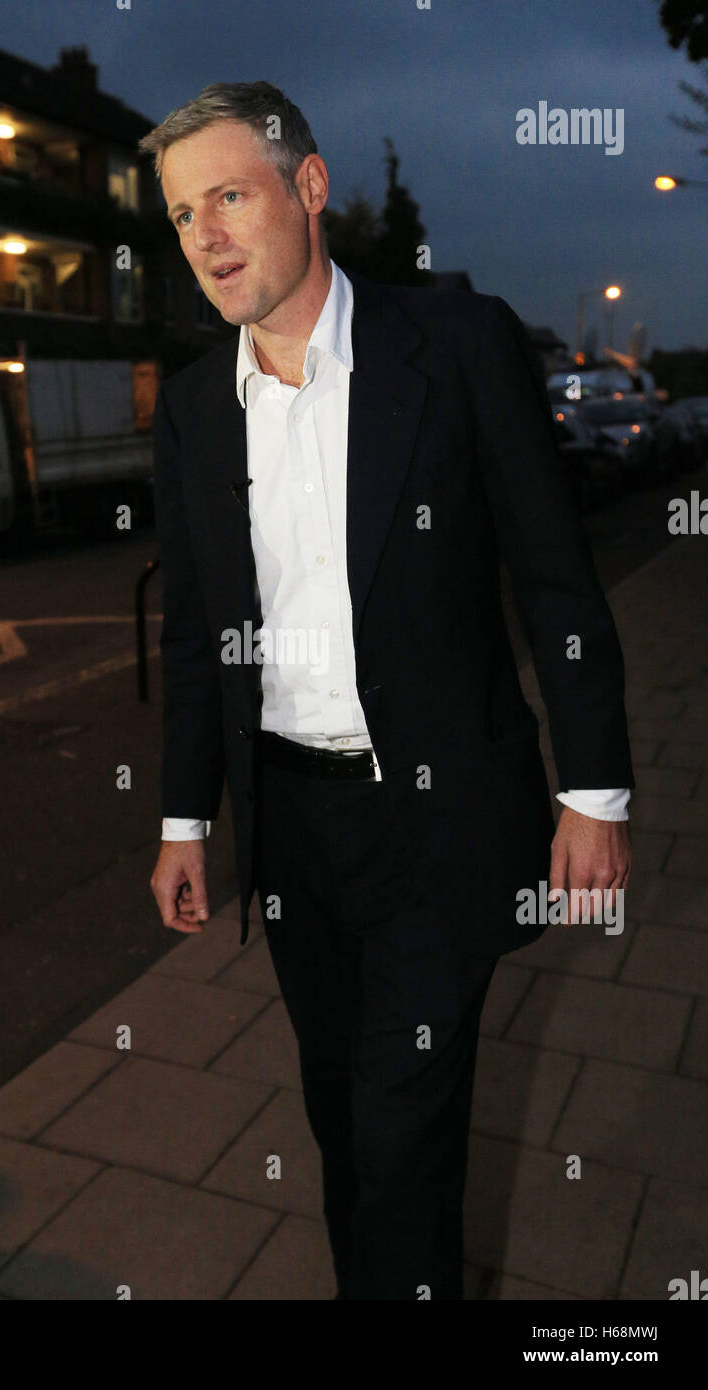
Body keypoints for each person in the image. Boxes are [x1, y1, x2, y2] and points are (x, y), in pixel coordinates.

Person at [143, 82, 634, 1301]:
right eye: (180, 213)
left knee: (400, 1138)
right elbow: (200, 633)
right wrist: (183, 819)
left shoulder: (454, 347)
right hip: (294, 831)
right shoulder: (200, 407)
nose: (204, 235)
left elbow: (555, 579)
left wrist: (593, 791)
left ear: (307, 189)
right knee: (339, 1121)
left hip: (433, 820)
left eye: (230, 196)